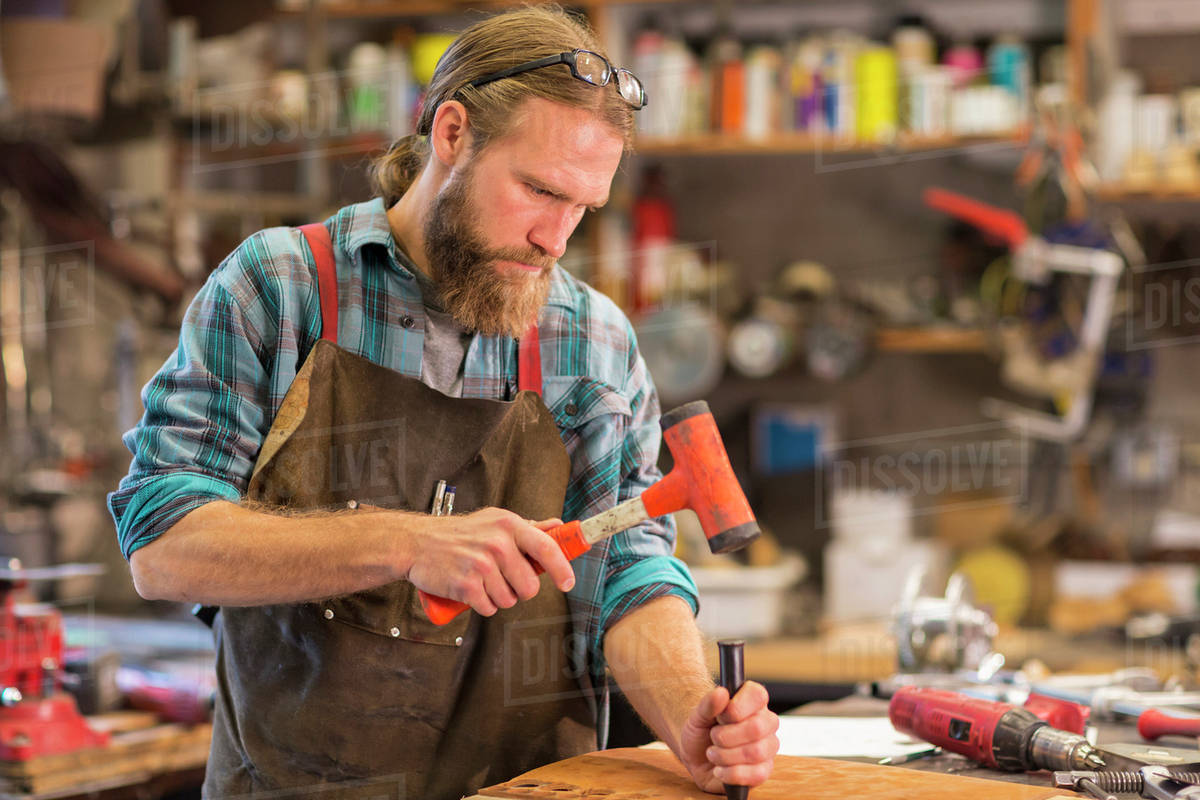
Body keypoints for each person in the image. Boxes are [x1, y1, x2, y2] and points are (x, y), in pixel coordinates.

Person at [109, 7, 778, 799]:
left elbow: (627, 573)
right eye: (537, 190)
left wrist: (691, 715)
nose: (555, 239)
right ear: (452, 133)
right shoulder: (280, 288)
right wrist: (405, 543)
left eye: (582, 208)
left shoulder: (591, 341)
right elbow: (162, 542)